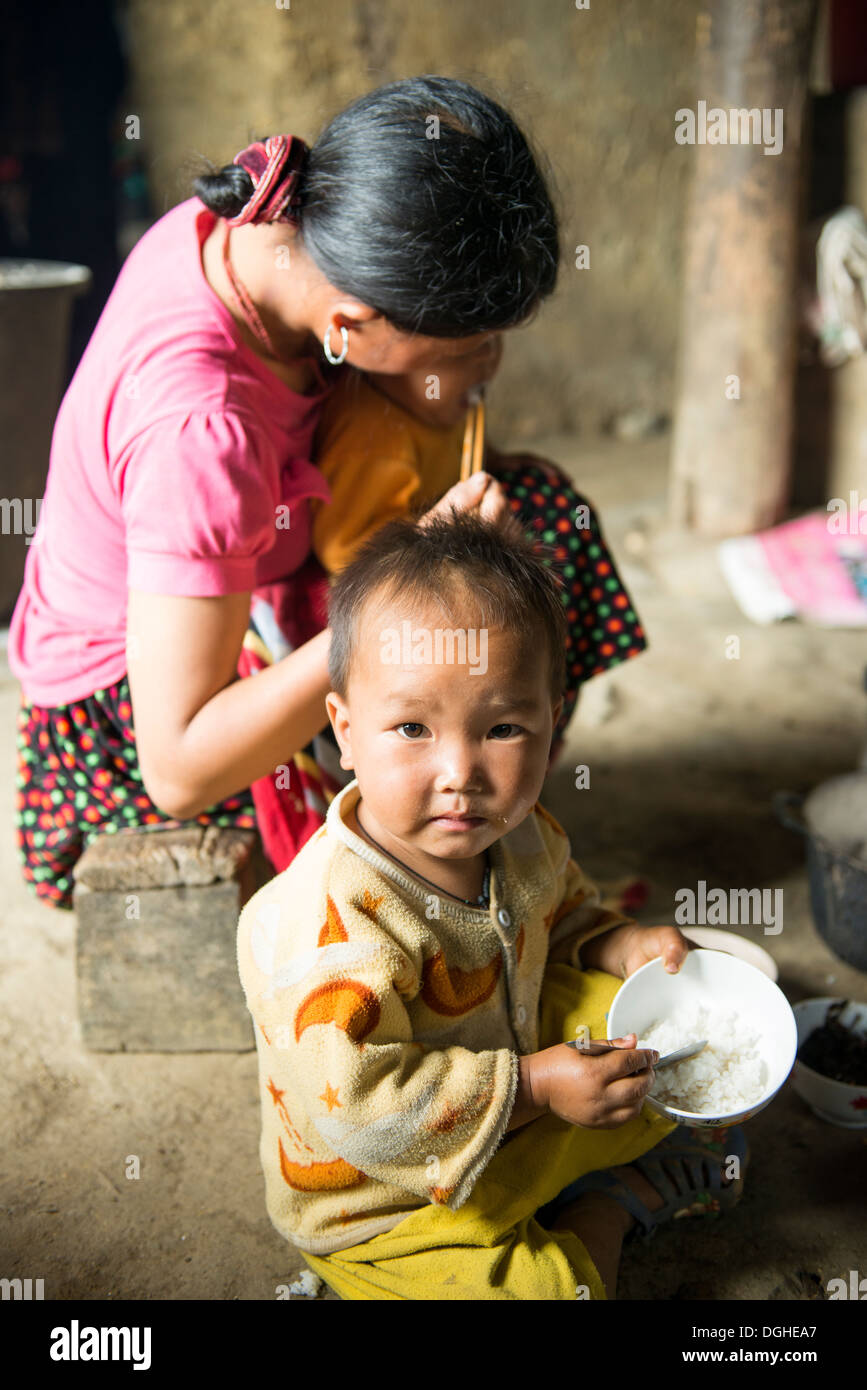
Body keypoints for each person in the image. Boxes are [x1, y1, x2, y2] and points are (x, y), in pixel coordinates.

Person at [9, 75, 642, 910]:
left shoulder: (262, 218)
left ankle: (466, 817)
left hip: (246, 583)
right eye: (466, 345)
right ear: (348, 328)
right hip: (129, 733)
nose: (482, 365)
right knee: (462, 607)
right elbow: (179, 769)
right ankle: (442, 872)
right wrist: (386, 600)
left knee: (541, 520)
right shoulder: (201, 432)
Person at [236, 511, 748, 1301]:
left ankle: (575, 1157)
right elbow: (364, 1111)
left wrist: (617, 943)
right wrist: (538, 1087)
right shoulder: (334, 927)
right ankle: (615, 1204)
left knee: (678, 1019)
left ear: (552, 723)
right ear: (344, 730)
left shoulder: (520, 833)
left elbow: (562, 912)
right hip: (388, 1197)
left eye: (503, 727)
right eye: (411, 726)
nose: (460, 772)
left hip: (512, 1072)